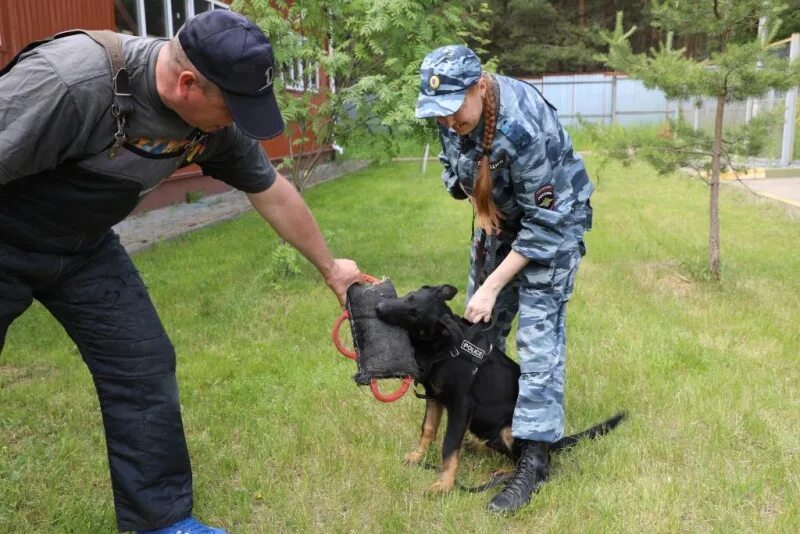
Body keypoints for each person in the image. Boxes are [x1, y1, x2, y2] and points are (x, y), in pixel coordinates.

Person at [0, 10, 362, 533]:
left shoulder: (212, 123)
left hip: (81, 249)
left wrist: (331, 269)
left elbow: (274, 193)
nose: (237, 123)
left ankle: (159, 523)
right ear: (187, 83)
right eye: (232, 109)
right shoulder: (71, 81)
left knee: (142, 365)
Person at [415, 45, 594, 513]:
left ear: (479, 87)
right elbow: (455, 169)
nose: (449, 124)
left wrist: (494, 284)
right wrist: (478, 201)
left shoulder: (522, 124)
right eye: (440, 117)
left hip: (550, 227)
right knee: (478, 334)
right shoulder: (455, 117)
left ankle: (533, 459)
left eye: (455, 112)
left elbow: (546, 222)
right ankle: (482, 416)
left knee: (538, 342)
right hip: (501, 225)